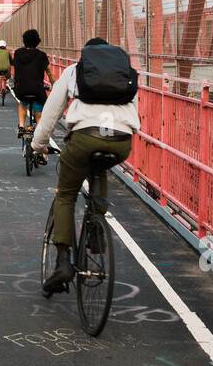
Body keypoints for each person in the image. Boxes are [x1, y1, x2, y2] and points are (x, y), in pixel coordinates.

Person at [32, 37, 140, 292]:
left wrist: (38, 144)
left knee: (66, 194)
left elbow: (51, 111)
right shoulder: (125, 74)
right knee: (99, 169)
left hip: (84, 138)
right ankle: (96, 229)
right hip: (121, 142)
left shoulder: (73, 71)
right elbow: (133, 110)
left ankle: (62, 263)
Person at [11, 28, 53, 137]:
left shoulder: (18, 53)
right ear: (37, 41)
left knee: (23, 102)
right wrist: (55, 84)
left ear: (24, 41)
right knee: (39, 110)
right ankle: (40, 136)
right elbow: (49, 72)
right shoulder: (41, 55)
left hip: (21, 88)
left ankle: (21, 126)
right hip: (37, 89)